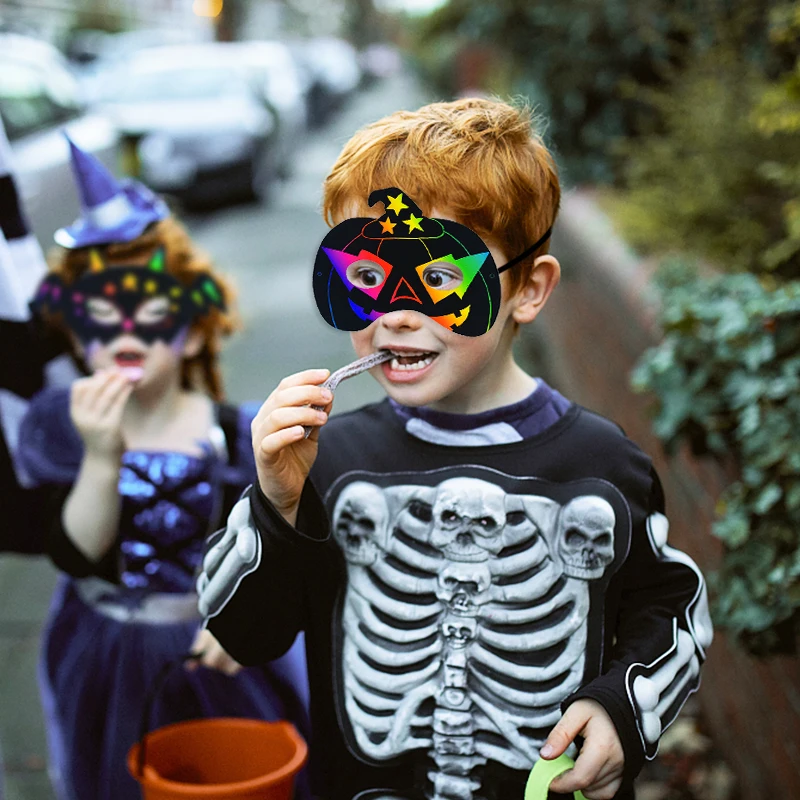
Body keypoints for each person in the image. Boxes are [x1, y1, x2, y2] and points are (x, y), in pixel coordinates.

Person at [197, 98, 713, 800]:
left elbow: (671, 610)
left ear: (528, 290)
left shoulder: (603, 467)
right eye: (370, 279)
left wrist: (623, 710)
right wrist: (276, 502)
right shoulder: (331, 463)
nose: (397, 312)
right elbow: (245, 633)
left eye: (440, 278)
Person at [17, 138, 309, 800]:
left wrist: (248, 617)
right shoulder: (65, 427)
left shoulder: (236, 435)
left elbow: (272, 547)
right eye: (97, 318)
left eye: (149, 315)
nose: (124, 334)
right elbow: (74, 553)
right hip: (105, 654)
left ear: (197, 328)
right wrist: (99, 455)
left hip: (217, 652)